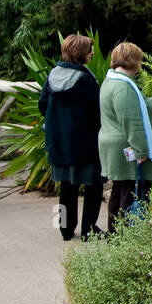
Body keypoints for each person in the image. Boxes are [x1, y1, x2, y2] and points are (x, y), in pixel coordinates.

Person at [97, 42, 152, 233]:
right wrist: (141, 151)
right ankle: (126, 236)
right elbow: (131, 121)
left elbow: (136, 105)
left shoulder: (112, 81)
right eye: (140, 60)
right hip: (127, 149)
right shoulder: (123, 87)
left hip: (115, 146)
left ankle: (116, 235)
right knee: (131, 193)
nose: (141, 64)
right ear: (133, 61)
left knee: (120, 190)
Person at [39, 34, 105, 241]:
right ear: (80, 54)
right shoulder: (85, 80)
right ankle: (88, 229)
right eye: (89, 51)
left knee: (67, 187)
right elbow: (98, 110)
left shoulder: (52, 76)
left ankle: (65, 230)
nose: (92, 53)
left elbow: (43, 106)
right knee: (94, 185)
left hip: (59, 142)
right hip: (86, 143)